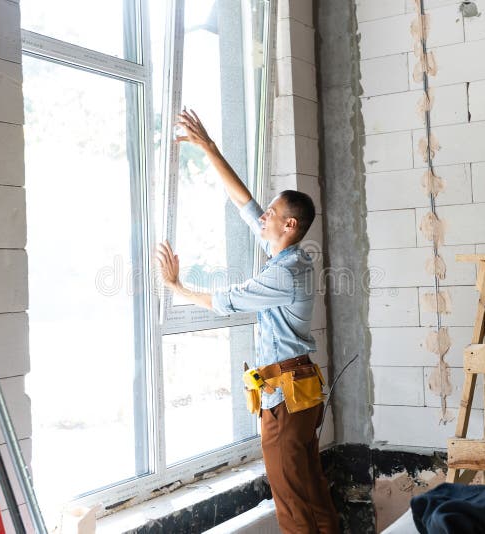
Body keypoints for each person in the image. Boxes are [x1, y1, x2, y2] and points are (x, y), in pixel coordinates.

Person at [156, 109, 340, 534]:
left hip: (286, 399)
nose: (264, 217)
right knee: (312, 493)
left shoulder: (284, 272)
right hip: (298, 391)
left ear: (289, 225)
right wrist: (208, 148)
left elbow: (228, 301)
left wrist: (177, 288)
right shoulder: (291, 257)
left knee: (292, 502)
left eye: (272, 213)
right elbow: (244, 203)